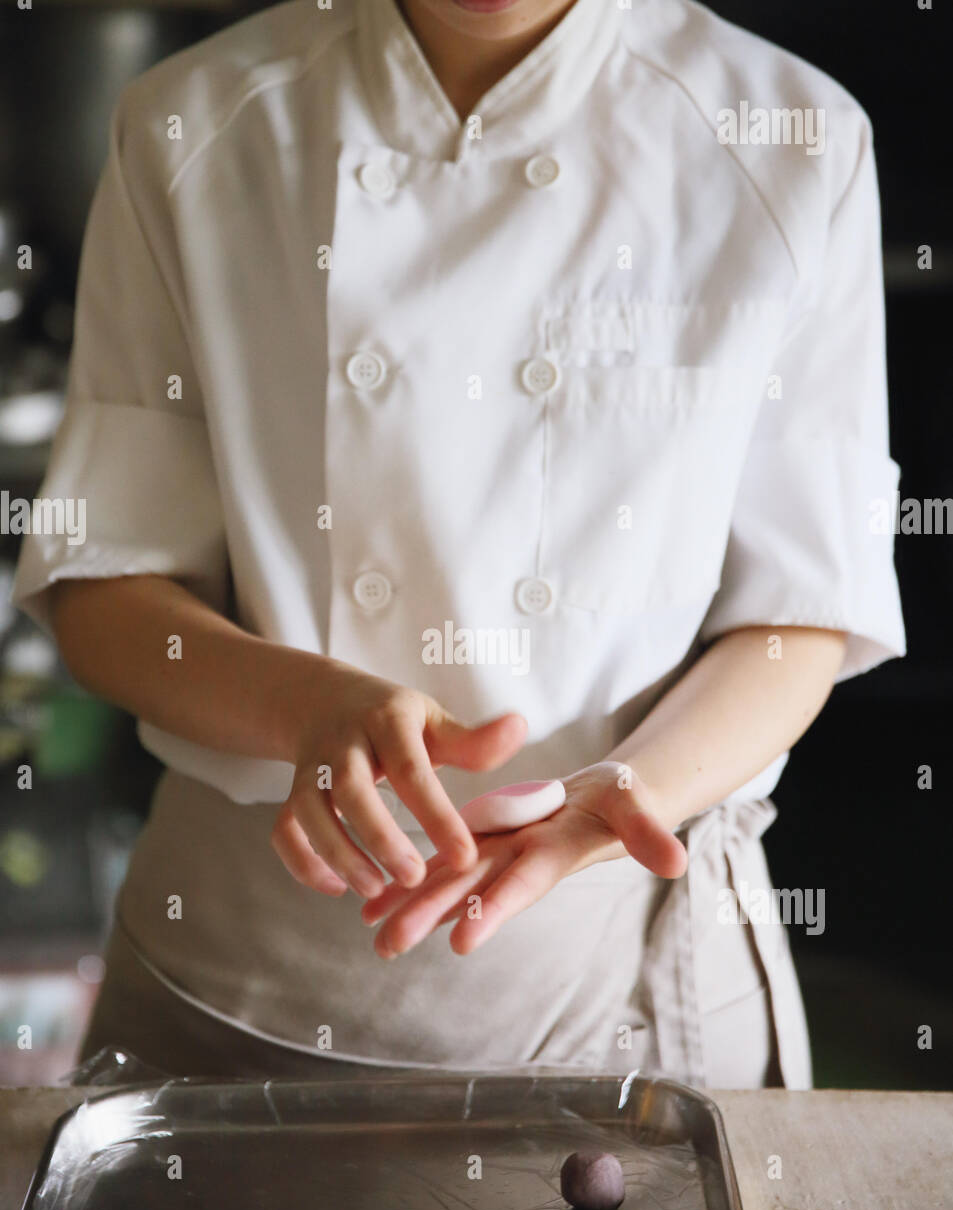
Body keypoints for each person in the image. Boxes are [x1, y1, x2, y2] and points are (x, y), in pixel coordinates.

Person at [13, 0, 904, 1087]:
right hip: (242, 980)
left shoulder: (792, 136)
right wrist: (306, 706)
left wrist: (631, 788)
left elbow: (803, 610)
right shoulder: (193, 122)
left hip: (621, 970)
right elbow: (107, 586)